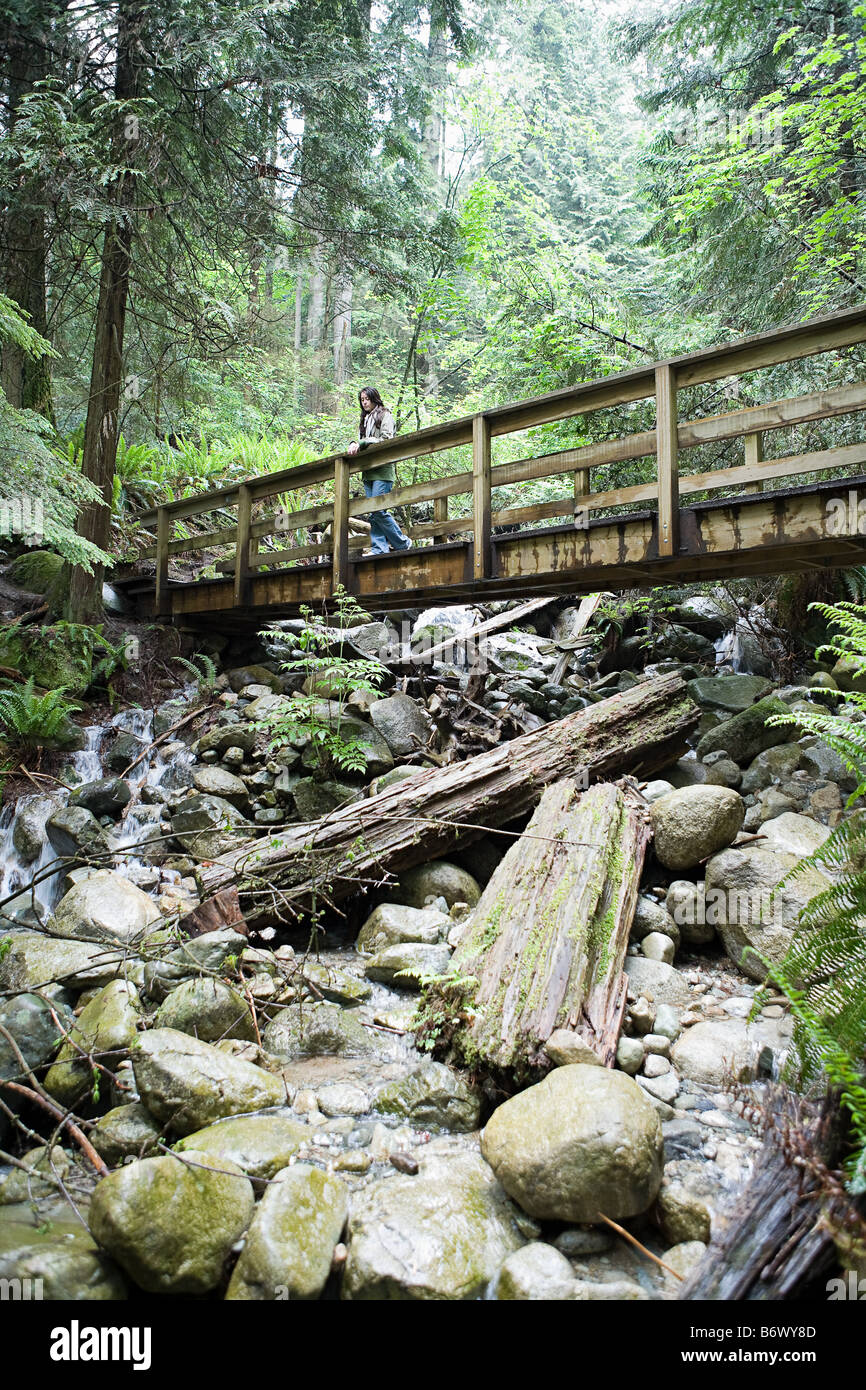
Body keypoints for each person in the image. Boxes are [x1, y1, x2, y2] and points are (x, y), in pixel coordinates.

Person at [347, 387, 412, 554]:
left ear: (374, 398)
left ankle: (403, 543)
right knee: (372, 512)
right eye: (362, 400)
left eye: (367, 399)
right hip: (368, 470)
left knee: (378, 510)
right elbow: (361, 441)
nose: (364, 402)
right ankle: (379, 548)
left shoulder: (385, 415)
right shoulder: (365, 419)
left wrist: (362, 443)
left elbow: (386, 439)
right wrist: (354, 443)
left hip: (382, 470)